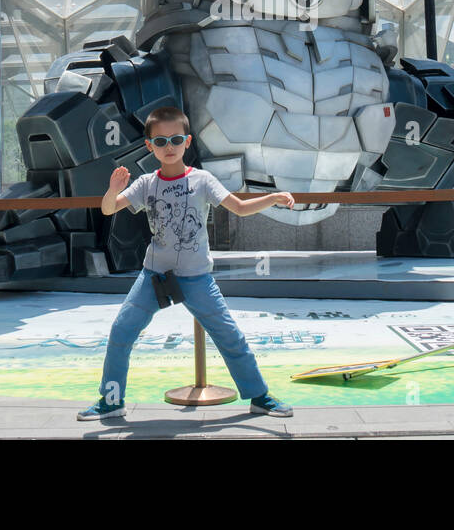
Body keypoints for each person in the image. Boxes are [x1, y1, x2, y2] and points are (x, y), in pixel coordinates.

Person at [77, 105, 296, 421]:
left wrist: (273, 198)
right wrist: (113, 191)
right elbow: (109, 210)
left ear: (187, 142)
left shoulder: (203, 180)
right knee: (121, 330)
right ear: (149, 146)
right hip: (154, 276)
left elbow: (239, 208)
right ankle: (112, 400)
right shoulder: (146, 183)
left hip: (197, 278)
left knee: (229, 336)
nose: (169, 147)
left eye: (175, 140)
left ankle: (260, 397)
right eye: (161, 142)